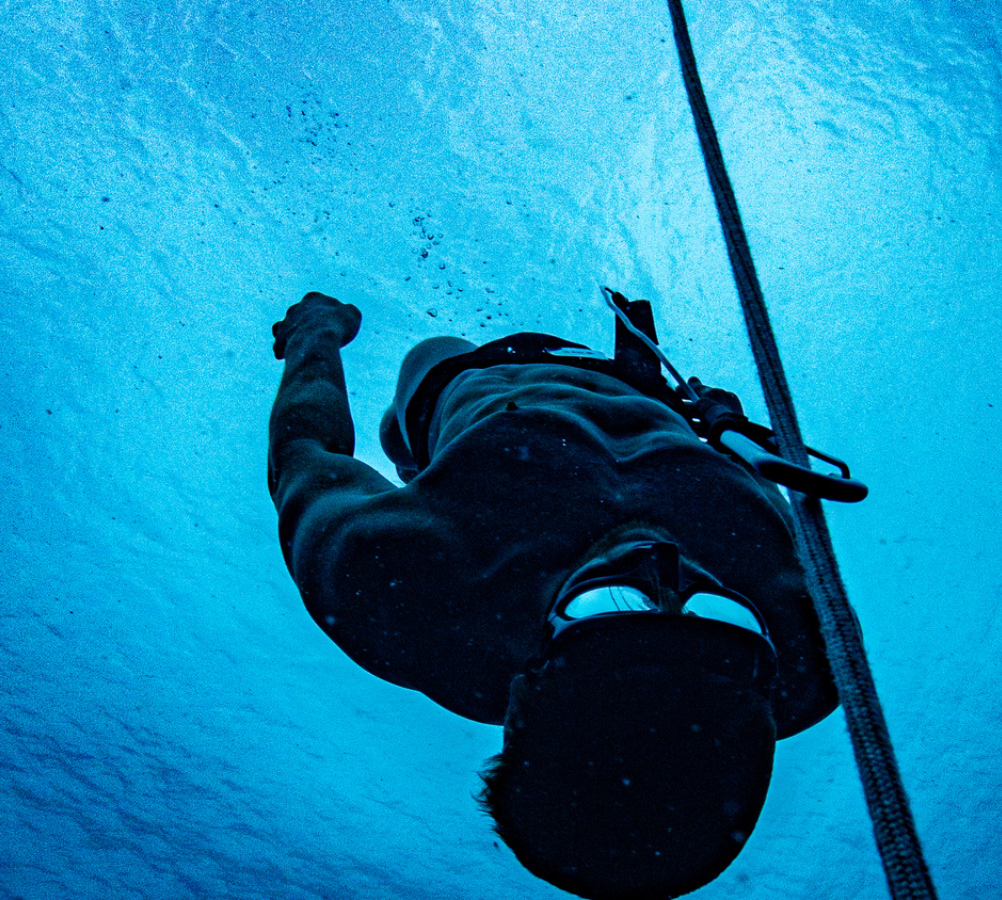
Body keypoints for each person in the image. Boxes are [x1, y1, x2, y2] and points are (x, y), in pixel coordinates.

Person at [268, 290, 838, 900]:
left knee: (416, 384)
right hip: (646, 394)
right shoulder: (812, 646)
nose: (664, 564)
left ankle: (418, 460)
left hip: (474, 376)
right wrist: (724, 429)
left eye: (609, 605)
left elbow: (307, 452)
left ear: (532, 669)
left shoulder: (407, 592)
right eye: (718, 613)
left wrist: (315, 334)